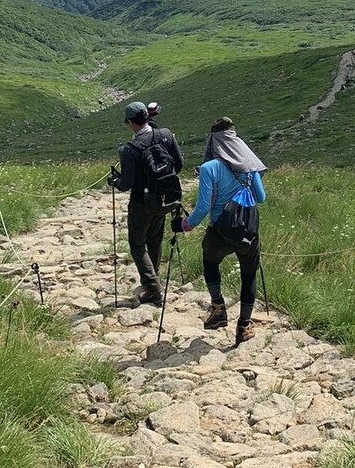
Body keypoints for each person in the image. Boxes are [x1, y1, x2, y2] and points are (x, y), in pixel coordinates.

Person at [174, 116, 267, 345]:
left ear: (214, 141)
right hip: (248, 231)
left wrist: (185, 225)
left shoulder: (209, 168)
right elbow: (261, 197)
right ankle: (244, 325)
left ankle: (218, 309)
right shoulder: (250, 166)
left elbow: (203, 206)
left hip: (219, 231)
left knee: (211, 262)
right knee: (249, 275)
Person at [111, 101, 183, 306]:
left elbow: (126, 184)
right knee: (155, 240)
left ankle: (153, 288)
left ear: (129, 122)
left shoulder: (130, 149)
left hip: (141, 203)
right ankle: (153, 281)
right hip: (165, 198)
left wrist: (114, 181)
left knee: (137, 244)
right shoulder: (166, 135)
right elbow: (178, 165)